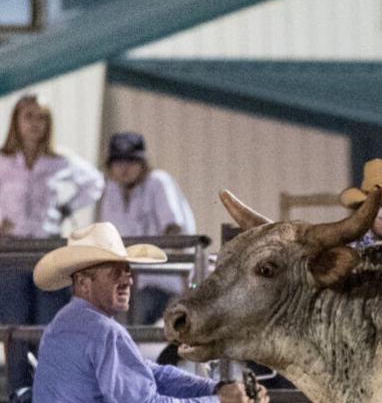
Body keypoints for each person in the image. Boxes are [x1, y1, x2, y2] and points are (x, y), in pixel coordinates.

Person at [31, 222, 269, 402]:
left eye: (127, 270)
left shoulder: (60, 324)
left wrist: (214, 389)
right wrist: (218, 400)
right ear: (83, 283)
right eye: (115, 273)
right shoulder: (104, 332)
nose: (128, 280)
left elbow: (148, 372)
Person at [0, 93, 104, 397]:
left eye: (41, 117)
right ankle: (18, 392)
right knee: (15, 326)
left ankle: (49, 392)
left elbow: (94, 183)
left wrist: (66, 207)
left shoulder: (59, 161)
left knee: (49, 323)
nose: (35, 124)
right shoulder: (4, 161)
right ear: (16, 122)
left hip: (47, 247)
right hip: (13, 249)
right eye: (28, 117)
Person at [97, 131, 196, 324]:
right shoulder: (111, 190)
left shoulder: (157, 182)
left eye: (131, 161)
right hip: (128, 283)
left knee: (137, 322)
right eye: (118, 162)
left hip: (162, 281)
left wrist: (187, 285)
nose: (124, 168)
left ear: (143, 163)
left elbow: (174, 229)